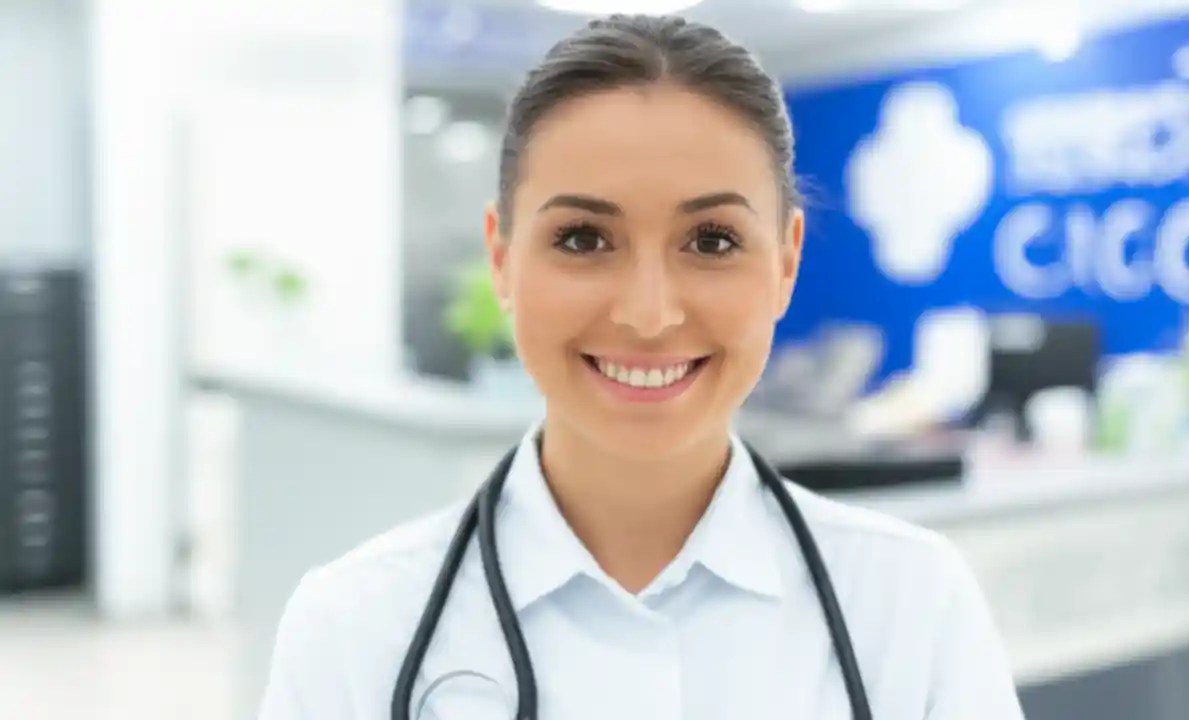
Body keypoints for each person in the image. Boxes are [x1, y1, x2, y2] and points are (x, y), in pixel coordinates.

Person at [258, 14, 1024, 720]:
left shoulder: (912, 606)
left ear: (786, 263)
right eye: (584, 239)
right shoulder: (356, 627)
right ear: (502, 259)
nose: (649, 314)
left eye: (712, 241)